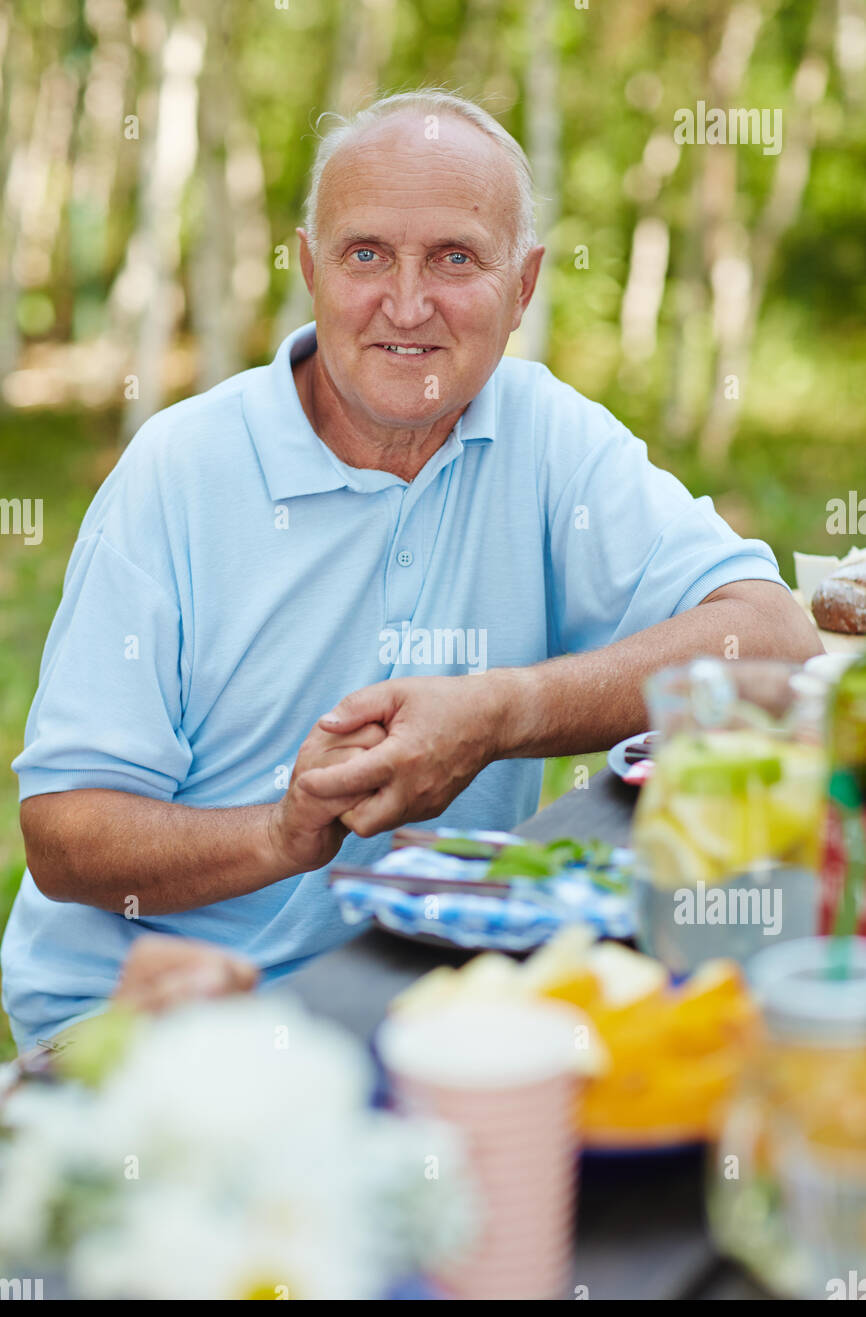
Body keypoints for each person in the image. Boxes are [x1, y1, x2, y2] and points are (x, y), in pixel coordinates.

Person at [2, 90, 822, 1051]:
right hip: (151, 1021)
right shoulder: (177, 471)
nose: (405, 303)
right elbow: (66, 835)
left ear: (523, 288)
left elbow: (773, 634)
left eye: (455, 258)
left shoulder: (543, 433)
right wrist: (283, 833)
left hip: (422, 994)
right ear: (309, 267)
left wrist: (501, 714)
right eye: (365, 255)